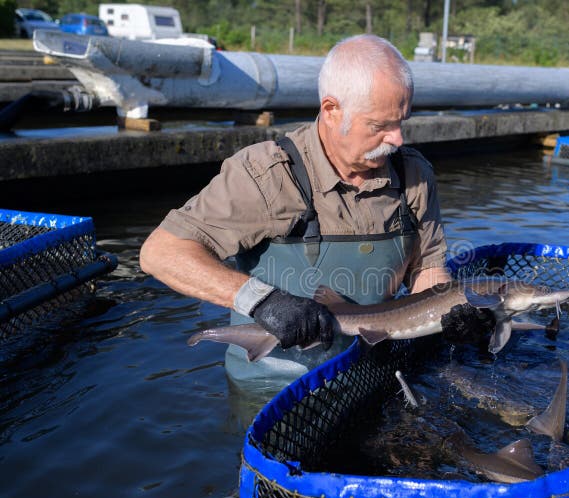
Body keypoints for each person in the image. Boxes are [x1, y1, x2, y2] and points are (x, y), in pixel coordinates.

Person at [139, 34, 493, 395]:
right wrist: (263, 301)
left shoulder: (413, 174)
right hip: (276, 385)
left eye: (402, 120)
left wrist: (448, 310)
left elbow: (427, 269)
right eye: (379, 126)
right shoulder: (267, 173)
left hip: (369, 372)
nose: (398, 138)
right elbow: (161, 253)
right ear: (331, 109)